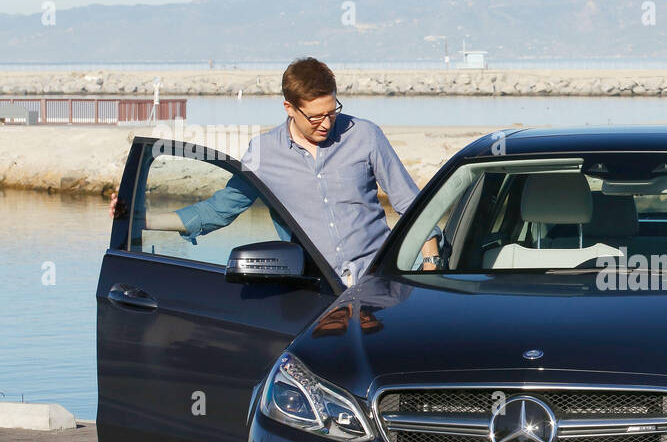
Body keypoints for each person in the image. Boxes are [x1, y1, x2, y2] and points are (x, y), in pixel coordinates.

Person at [111, 57, 439, 285]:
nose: (326, 123)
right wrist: (138, 219)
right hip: (315, 291)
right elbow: (217, 211)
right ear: (289, 108)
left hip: (377, 283)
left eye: (332, 111)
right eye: (315, 116)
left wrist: (429, 265)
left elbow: (411, 203)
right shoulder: (264, 152)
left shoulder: (364, 135)